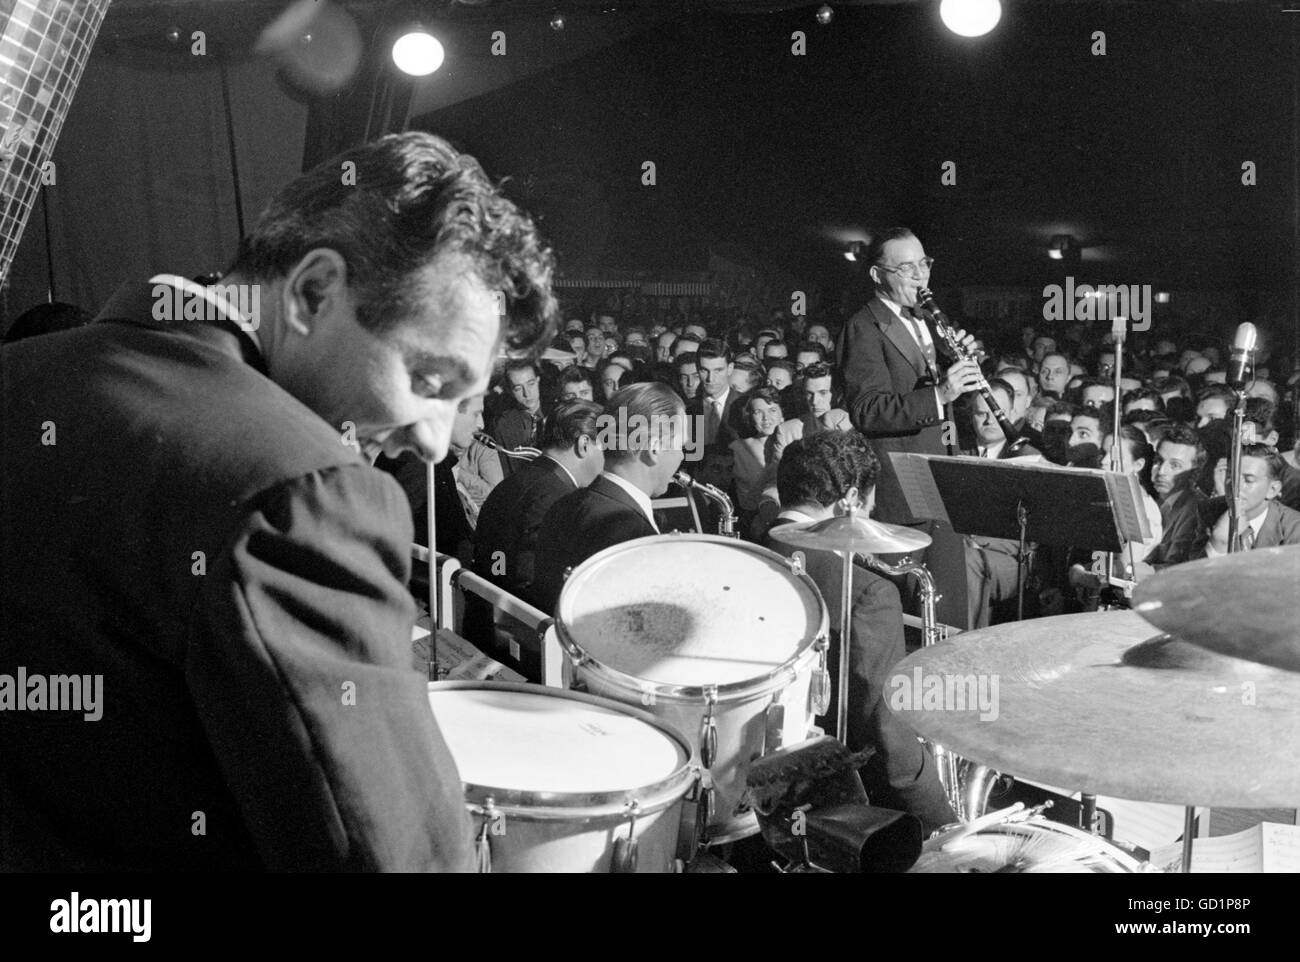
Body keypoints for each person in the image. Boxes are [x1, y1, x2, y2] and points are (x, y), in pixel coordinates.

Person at [0, 131, 556, 871]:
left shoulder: (19, 373)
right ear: (313, 291)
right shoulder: (305, 490)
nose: (431, 442)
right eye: (428, 380)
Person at [765, 432, 955, 835]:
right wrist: (942, 820)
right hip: (845, 810)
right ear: (849, 498)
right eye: (868, 504)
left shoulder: (746, 551)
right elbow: (888, 740)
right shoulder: (869, 593)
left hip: (761, 791)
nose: (870, 515)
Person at [834, 226, 980, 629]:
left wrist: (964, 372)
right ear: (878, 275)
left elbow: (945, 402)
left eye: (924, 264)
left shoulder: (930, 319)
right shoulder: (863, 327)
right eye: (906, 268)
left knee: (948, 614)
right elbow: (867, 409)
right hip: (900, 494)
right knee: (903, 619)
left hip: (942, 483)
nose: (920, 276)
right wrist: (942, 393)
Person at [532, 382, 686, 613]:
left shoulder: (566, 504)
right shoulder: (631, 534)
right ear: (654, 449)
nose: (682, 456)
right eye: (679, 446)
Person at [473, 399, 605, 609]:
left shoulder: (517, 482)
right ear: (584, 445)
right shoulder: (558, 498)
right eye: (605, 449)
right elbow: (533, 583)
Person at [963, 380, 1042, 628]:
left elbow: (1032, 531)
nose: (989, 421)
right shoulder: (954, 446)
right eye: (980, 413)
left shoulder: (1027, 455)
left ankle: (965, 644)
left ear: (1010, 413)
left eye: (995, 413)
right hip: (963, 545)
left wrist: (976, 542)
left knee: (967, 561)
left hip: (1010, 557)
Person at [1192, 445, 1300, 557]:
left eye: (1248, 480)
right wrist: (1217, 545)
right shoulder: (1207, 510)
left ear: (1272, 490)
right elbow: (1188, 570)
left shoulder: (1294, 529)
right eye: (1231, 475)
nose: (1235, 486)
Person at [1139, 425, 1207, 571]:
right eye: (1158, 461)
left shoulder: (1196, 510)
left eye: (1175, 465)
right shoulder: (1149, 498)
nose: (1161, 471)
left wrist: (1128, 570)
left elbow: (1177, 568)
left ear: (1194, 472)